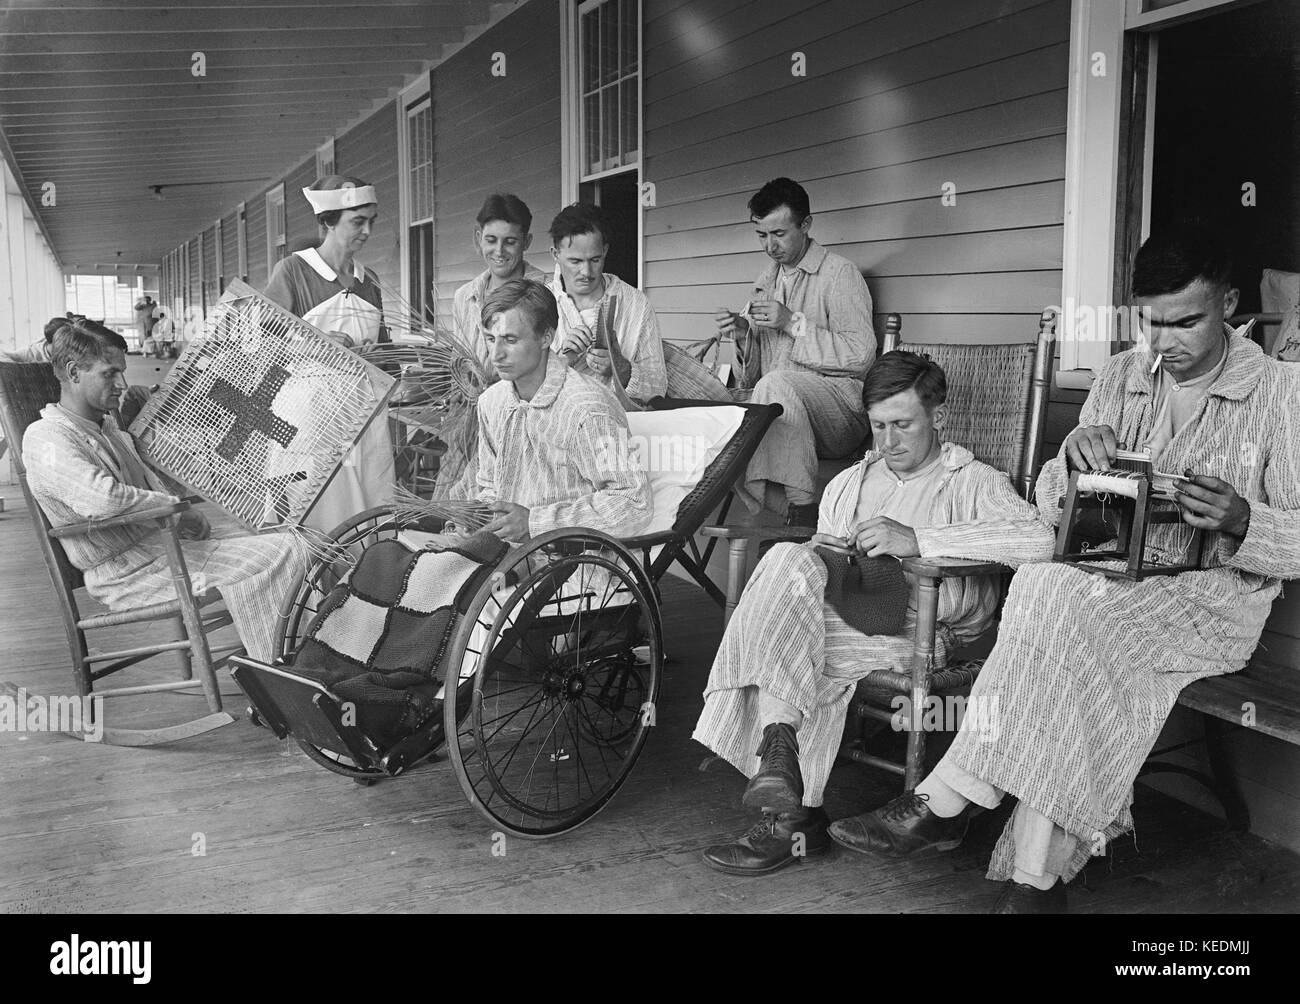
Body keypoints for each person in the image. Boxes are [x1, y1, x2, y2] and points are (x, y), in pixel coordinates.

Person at [830, 225, 1300, 913]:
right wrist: (1070, 458)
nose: (1164, 343)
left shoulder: (1281, 394)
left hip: (1213, 602)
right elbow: (1051, 508)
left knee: (1063, 609)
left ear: (1229, 303)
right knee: (1048, 585)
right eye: (1151, 323)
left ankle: (952, 799)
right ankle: (1034, 882)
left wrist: (1240, 519)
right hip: (1107, 577)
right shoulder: (1121, 375)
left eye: (1186, 322)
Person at [693, 350, 1055, 876]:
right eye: (878, 426)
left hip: (918, 630)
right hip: (845, 612)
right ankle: (780, 751)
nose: (887, 443)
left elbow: (1038, 538)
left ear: (940, 418)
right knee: (787, 560)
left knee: (787, 644)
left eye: (903, 425)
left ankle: (792, 810)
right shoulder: (850, 483)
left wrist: (917, 540)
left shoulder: (972, 481)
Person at [22, 320, 308, 662]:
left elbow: (147, 483)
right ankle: (278, 671)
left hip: (163, 549)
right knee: (281, 554)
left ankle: (307, 657)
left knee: (300, 540)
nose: (122, 384)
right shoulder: (47, 437)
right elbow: (104, 499)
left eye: (122, 373)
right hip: (129, 576)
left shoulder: (107, 427)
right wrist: (179, 509)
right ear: (73, 372)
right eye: (110, 373)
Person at [715, 177, 876, 525]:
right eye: (762, 235)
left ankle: (801, 513)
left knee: (775, 388)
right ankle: (798, 515)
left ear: (806, 225)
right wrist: (744, 336)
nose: (770, 246)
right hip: (786, 413)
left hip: (840, 415)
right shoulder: (766, 280)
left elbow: (861, 354)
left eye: (780, 233)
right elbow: (754, 376)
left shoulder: (839, 274)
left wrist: (792, 323)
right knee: (723, 421)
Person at [263, 175, 397, 534]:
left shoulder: (369, 281)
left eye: (372, 221)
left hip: (363, 415)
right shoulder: (294, 271)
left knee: (369, 509)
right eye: (357, 221)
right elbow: (261, 342)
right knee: (317, 508)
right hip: (310, 417)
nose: (367, 230)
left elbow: (386, 354)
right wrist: (315, 341)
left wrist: (375, 352)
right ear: (327, 222)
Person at [475, 278, 651, 541]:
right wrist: (483, 519)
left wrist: (536, 523)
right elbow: (489, 485)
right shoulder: (492, 402)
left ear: (546, 337)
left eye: (510, 340)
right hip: (507, 557)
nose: (495, 355)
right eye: (491, 339)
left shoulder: (587, 409)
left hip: (576, 568)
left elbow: (633, 503)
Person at [547, 203, 667, 406]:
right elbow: (518, 385)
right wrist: (560, 361)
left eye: (594, 259)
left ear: (605, 250)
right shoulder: (539, 303)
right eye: (575, 261)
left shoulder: (636, 304)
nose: (586, 272)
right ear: (555, 254)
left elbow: (658, 388)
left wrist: (622, 369)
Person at [452, 193, 550, 371]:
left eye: (510, 242)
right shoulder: (464, 297)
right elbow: (458, 361)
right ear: (478, 238)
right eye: (491, 240)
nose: (499, 251)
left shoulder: (547, 292)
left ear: (526, 242)